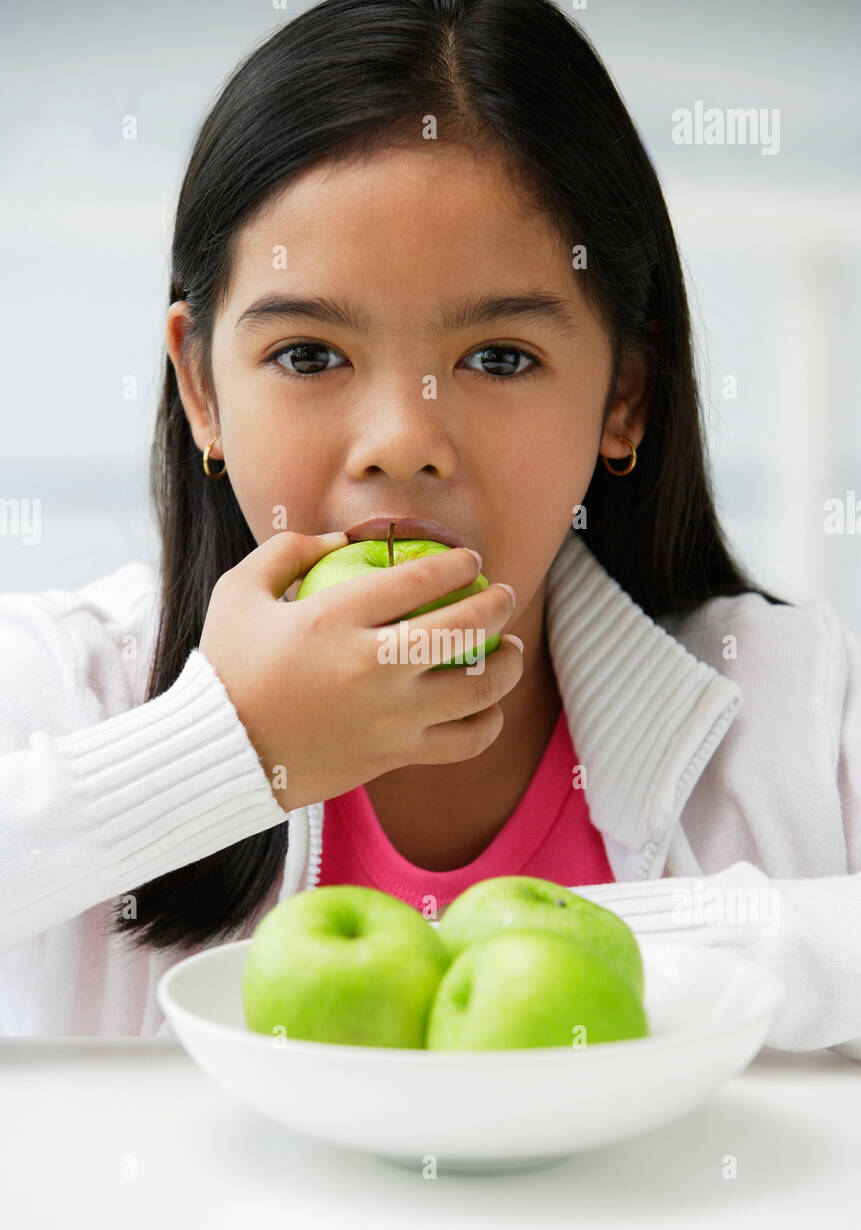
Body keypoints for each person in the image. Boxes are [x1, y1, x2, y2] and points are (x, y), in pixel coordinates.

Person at [1, 0, 859, 1054]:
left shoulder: (802, 712)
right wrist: (228, 748)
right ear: (201, 387)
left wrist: (548, 945)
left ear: (625, 392)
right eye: (310, 355)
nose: (402, 443)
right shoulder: (66, 689)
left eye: (498, 357)